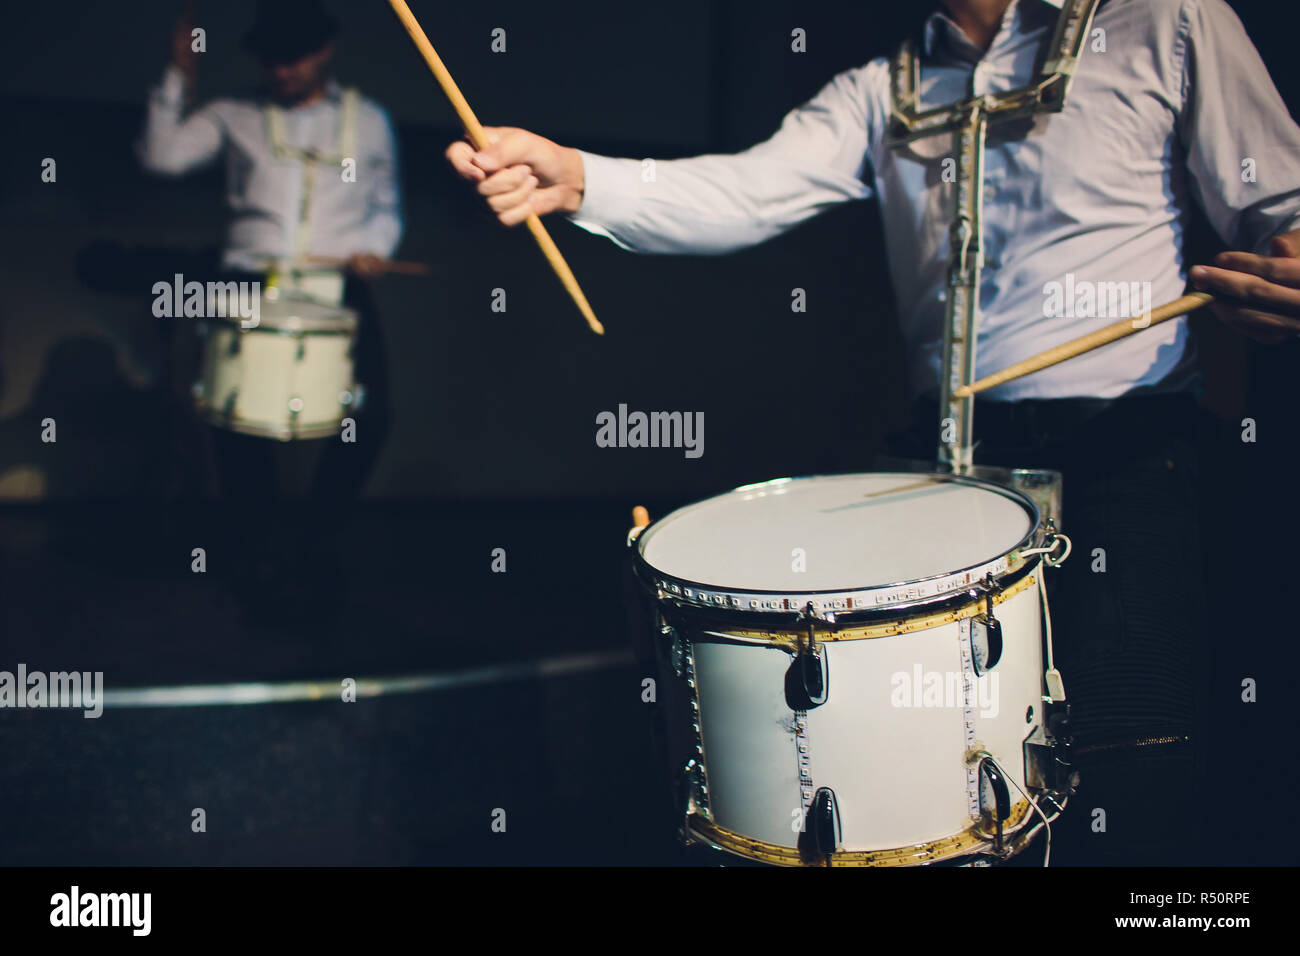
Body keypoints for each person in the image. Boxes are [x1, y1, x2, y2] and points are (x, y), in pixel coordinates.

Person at [446, 0, 1300, 864]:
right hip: (944, 472)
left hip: (1125, 450)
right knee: (939, 788)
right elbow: (746, 189)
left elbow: (1284, 203)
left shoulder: (1171, 18)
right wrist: (579, 176)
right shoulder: (876, 86)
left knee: (1133, 764)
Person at [138, 0, 404, 624]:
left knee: (371, 417)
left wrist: (377, 250)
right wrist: (179, 76)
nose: (282, 70)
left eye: (294, 56)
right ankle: (254, 558)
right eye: (271, 59)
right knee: (235, 424)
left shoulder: (368, 122)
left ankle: (312, 542)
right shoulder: (237, 114)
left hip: (336, 286)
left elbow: (386, 205)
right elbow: (160, 158)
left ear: (325, 49)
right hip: (247, 284)